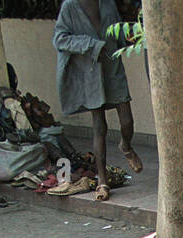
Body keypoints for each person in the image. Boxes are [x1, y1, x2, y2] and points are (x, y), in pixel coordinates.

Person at [53, 0, 142, 201]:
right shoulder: (70, 6)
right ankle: (102, 181)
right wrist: (90, 45)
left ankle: (126, 146)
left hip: (113, 69)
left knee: (127, 120)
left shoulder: (108, 3)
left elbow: (117, 31)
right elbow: (60, 39)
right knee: (99, 127)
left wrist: (130, 36)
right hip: (91, 73)